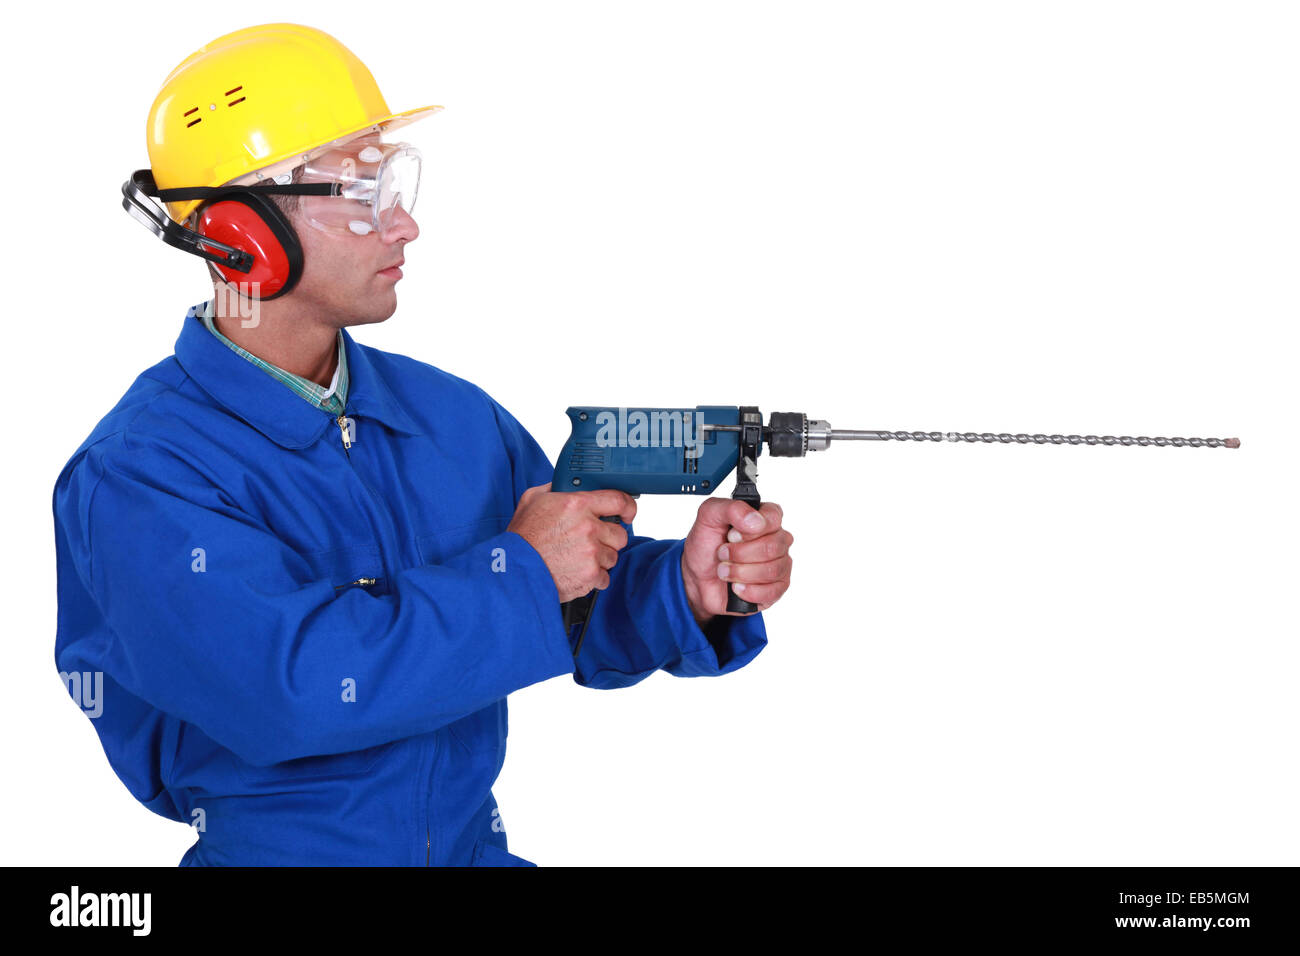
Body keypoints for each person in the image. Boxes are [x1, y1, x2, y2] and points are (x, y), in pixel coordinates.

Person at [52, 22, 793, 866]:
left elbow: (564, 597)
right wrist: (521, 571)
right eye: (362, 191)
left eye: (394, 185)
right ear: (242, 234)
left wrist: (684, 590)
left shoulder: (445, 416)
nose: (403, 226)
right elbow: (286, 691)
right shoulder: (144, 474)